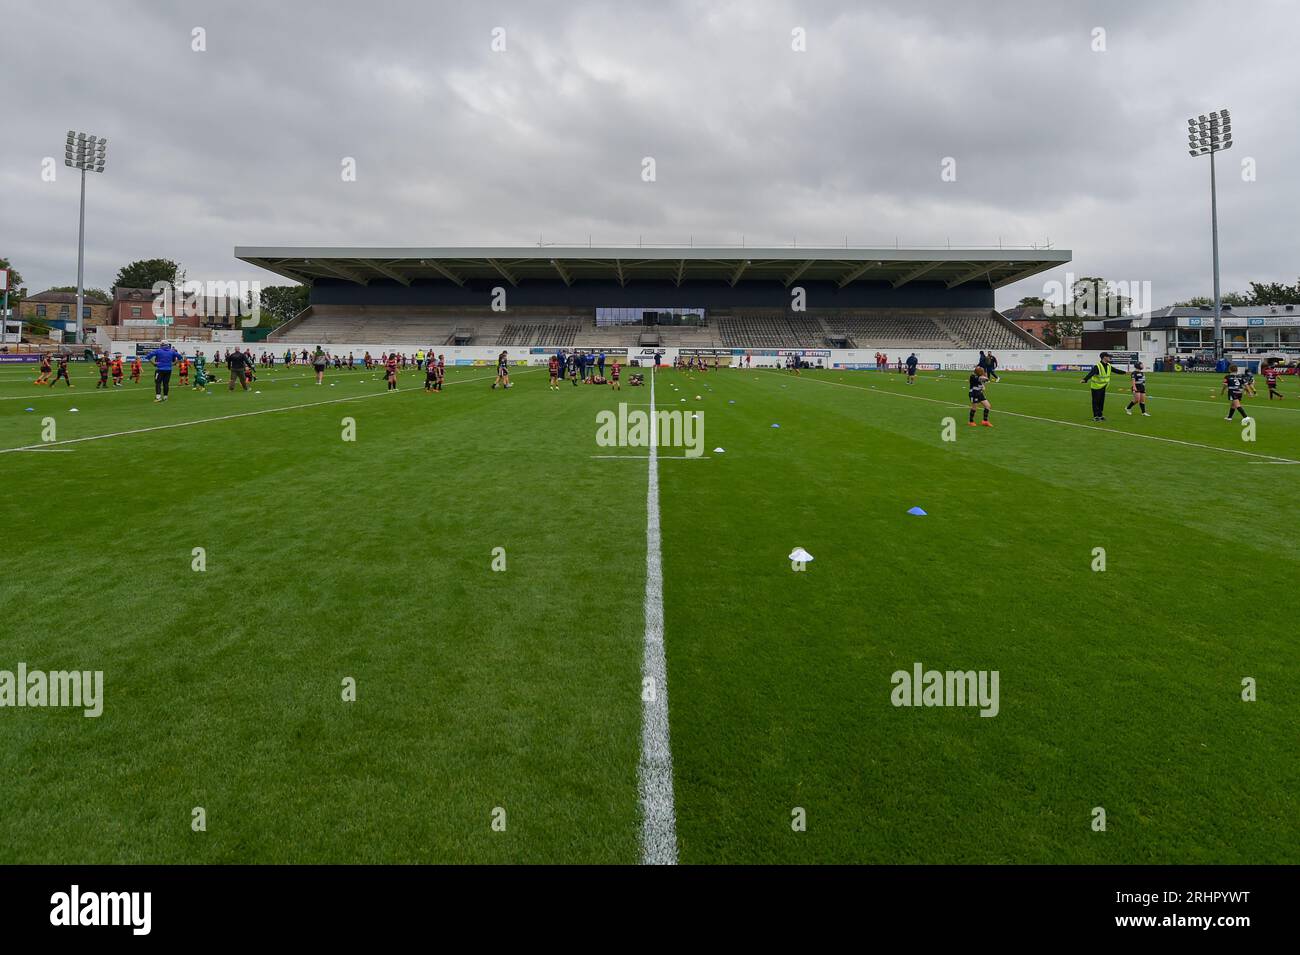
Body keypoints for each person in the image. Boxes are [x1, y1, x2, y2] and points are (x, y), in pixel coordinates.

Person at [1081, 351, 1125, 421]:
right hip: (1096, 387)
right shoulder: (1097, 366)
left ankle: (1100, 415)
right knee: (1096, 402)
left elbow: (1116, 370)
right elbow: (1091, 373)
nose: (1110, 358)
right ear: (1104, 357)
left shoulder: (1109, 365)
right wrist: (1085, 379)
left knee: (1101, 402)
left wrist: (1125, 372)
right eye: (1108, 356)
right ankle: (1096, 416)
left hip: (1103, 387)